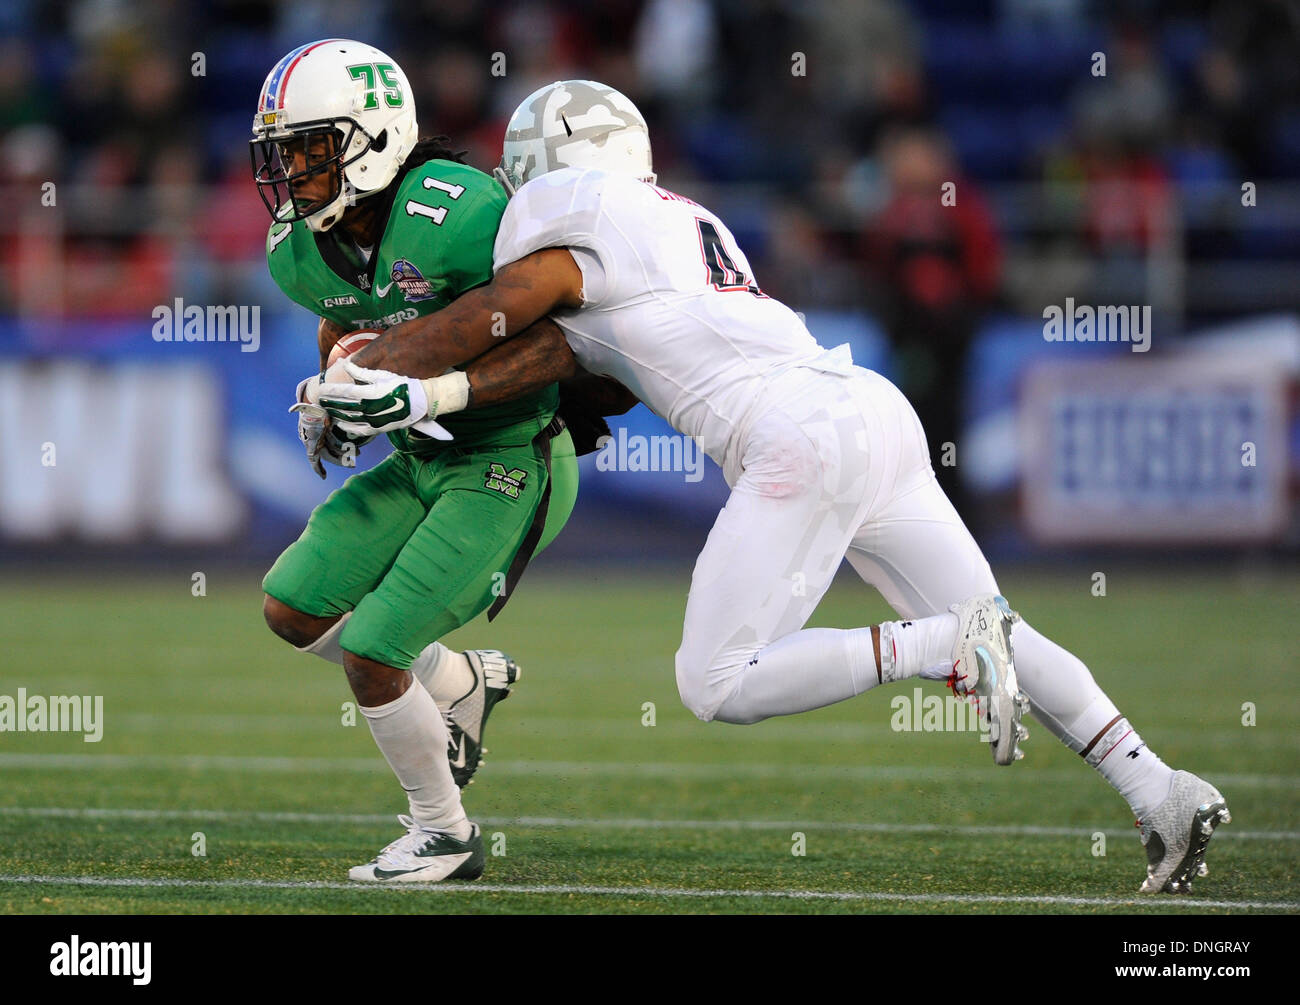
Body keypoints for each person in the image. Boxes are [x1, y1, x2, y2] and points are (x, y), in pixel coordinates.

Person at [319, 80, 1229, 894]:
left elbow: (507, 307)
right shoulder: (677, 219)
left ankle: (939, 645)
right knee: (1008, 631)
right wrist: (433, 391)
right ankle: (1160, 787)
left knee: (716, 681)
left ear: (542, 168)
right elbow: (567, 350)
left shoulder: (568, 209)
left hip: (793, 439)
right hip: (866, 413)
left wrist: (379, 366)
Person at [250, 41, 590, 882]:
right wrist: (334, 384)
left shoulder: (460, 213)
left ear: (370, 138)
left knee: (373, 652)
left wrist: (430, 394)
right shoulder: (299, 249)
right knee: (293, 606)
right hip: (418, 457)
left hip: (510, 455)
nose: (290, 175)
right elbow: (352, 312)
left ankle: (444, 833)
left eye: (307, 150)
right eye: (280, 156)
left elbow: (563, 342)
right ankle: (459, 682)